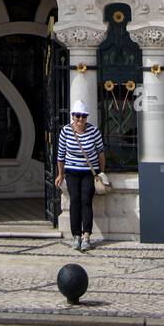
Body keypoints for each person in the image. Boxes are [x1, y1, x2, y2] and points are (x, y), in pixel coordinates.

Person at [55, 100, 106, 251]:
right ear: (72, 116)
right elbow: (60, 155)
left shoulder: (94, 131)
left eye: (83, 116)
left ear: (87, 117)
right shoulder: (65, 131)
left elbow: (100, 153)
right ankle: (76, 235)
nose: (80, 120)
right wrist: (60, 174)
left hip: (89, 172)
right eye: (77, 116)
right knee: (75, 201)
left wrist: (101, 172)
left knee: (86, 201)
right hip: (71, 172)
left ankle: (86, 235)